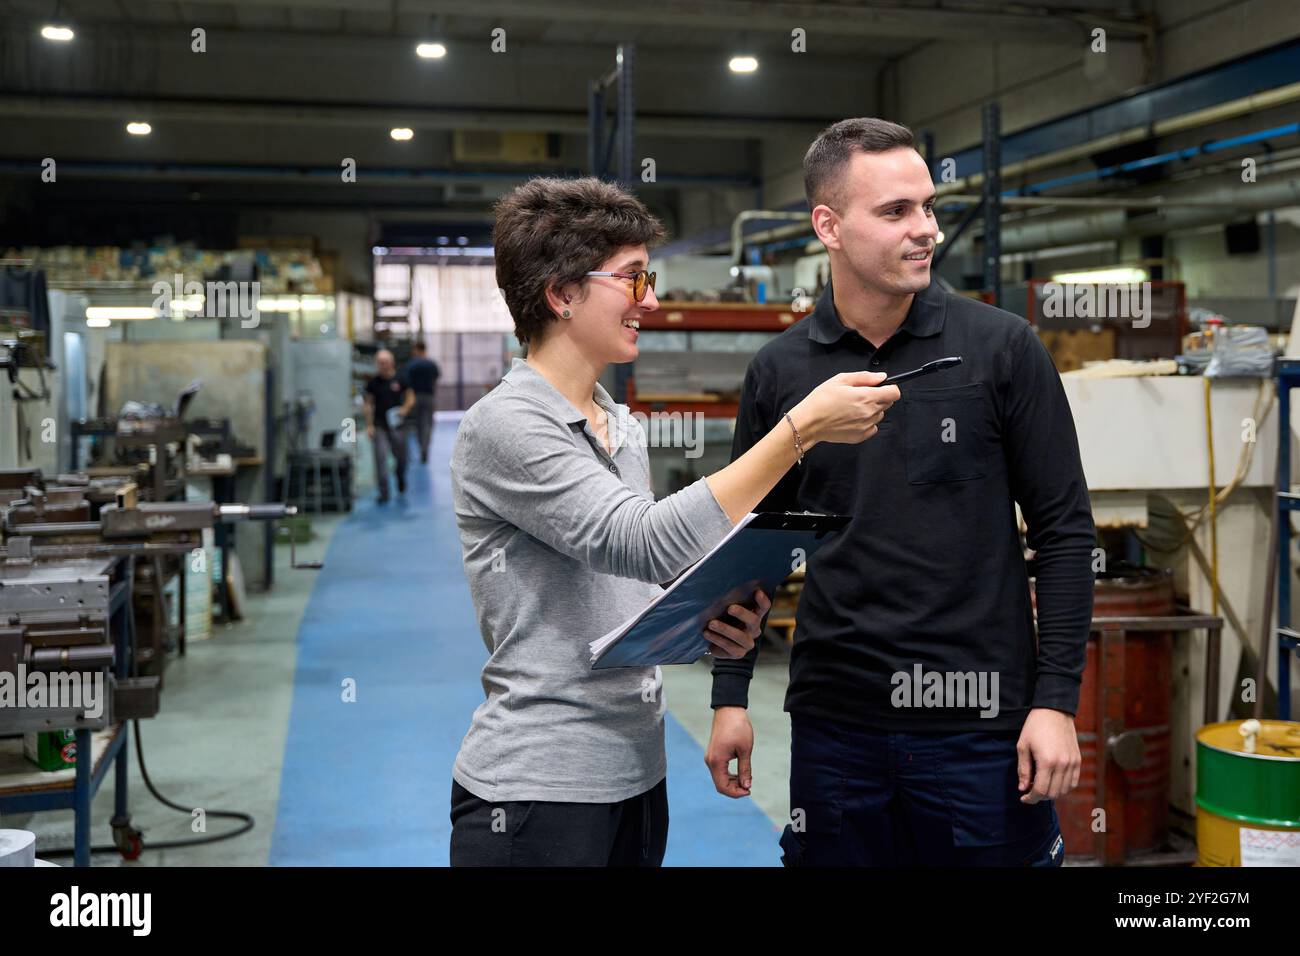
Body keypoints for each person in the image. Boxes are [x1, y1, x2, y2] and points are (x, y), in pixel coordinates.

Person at [447, 176, 899, 867]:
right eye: (632, 279)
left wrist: (706, 618)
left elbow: (631, 587)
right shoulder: (505, 425)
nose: (650, 300)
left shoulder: (618, 426)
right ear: (562, 294)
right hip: (539, 789)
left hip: (635, 773)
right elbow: (642, 540)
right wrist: (798, 431)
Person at [705, 118, 1097, 867]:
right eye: (896, 212)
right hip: (836, 724)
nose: (926, 231)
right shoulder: (782, 372)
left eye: (929, 208)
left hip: (981, 724)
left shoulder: (1001, 349)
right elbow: (752, 543)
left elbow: (1065, 534)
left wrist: (1054, 702)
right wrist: (730, 696)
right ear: (829, 226)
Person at [363, 348, 415, 504]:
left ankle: (400, 477)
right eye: (379, 363)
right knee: (380, 459)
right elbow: (368, 404)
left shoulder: (400, 379)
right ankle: (383, 492)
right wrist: (369, 425)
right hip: (380, 426)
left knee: (402, 458)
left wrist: (404, 409)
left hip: (397, 425)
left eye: (385, 362)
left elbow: (410, 397)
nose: (382, 365)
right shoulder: (373, 383)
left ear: (391, 362)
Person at [403, 340, 441, 463]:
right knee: (428, 423)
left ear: (417, 349)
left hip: (414, 397)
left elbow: (406, 382)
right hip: (429, 397)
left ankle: (421, 446)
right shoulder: (431, 364)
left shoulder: (412, 365)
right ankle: (426, 447)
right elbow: (436, 379)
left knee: (419, 424)